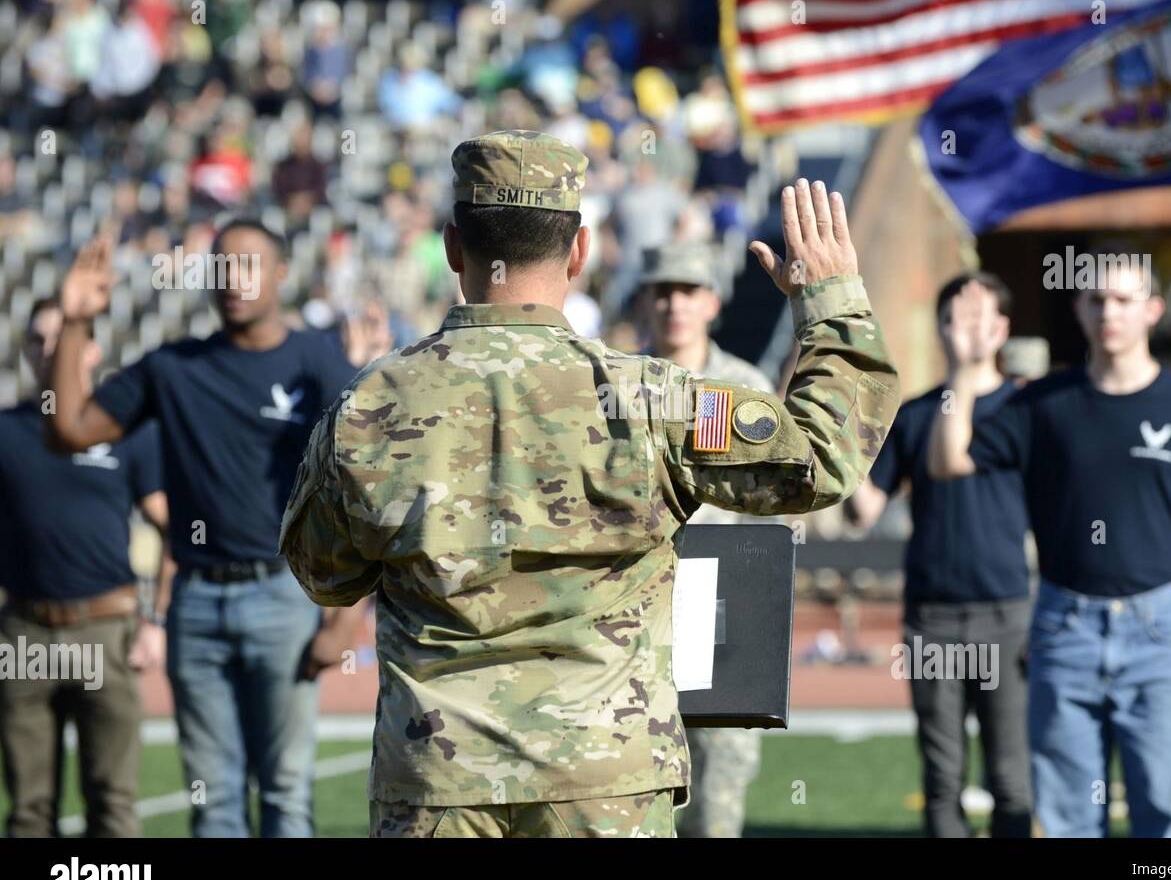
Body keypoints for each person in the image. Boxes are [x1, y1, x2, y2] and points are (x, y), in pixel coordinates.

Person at [280, 131, 900, 838]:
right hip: (606, 784)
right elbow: (821, 455)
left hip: (437, 780)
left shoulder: (372, 403)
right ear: (579, 251)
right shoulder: (654, 397)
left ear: (455, 248)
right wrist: (832, 302)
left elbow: (323, 573)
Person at [46, 219, 378, 838]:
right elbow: (68, 430)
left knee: (286, 796)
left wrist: (344, 619)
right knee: (214, 804)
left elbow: (363, 495)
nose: (234, 279)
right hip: (195, 604)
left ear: (282, 274)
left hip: (284, 596)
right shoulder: (173, 367)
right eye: (221, 266)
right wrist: (73, 321)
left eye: (249, 264)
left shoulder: (317, 363)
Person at [927, 262, 1171, 838]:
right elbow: (948, 460)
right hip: (1064, 625)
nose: (1109, 313)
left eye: (1124, 300)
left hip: (1162, 629)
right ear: (1079, 309)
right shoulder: (1045, 401)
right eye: (1096, 300)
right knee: (1069, 817)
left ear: (1151, 310)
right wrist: (966, 368)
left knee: (1164, 815)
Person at [853, 273, 1032, 838]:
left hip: (1006, 613)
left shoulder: (1025, 408)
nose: (967, 331)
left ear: (1002, 329)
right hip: (932, 617)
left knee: (1011, 778)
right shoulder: (917, 413)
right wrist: (839, 423)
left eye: (980, 318)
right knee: (942, 776)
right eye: (956, 317)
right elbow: (863, 510)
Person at [0, 299, 169, 837]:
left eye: (60, 338)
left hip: (106, 628)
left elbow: (173, 529)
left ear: (90, 349)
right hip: (23, 631)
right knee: (28, 810)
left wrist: (154, 621)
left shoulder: (125, 430)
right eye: (38, 341)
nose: (48, 350)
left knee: (113, 804)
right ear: (25, 352)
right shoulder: (4, 432)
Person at [635, 240, 770, 839]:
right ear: (645, 301)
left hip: (719, 597)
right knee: (635, 776)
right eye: (663, 292)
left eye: (688, 292)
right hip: (634, 600)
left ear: (712, 302)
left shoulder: (739, 386)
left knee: (719, 779)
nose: (674, 305)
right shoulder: (619, 383)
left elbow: (771, 502)